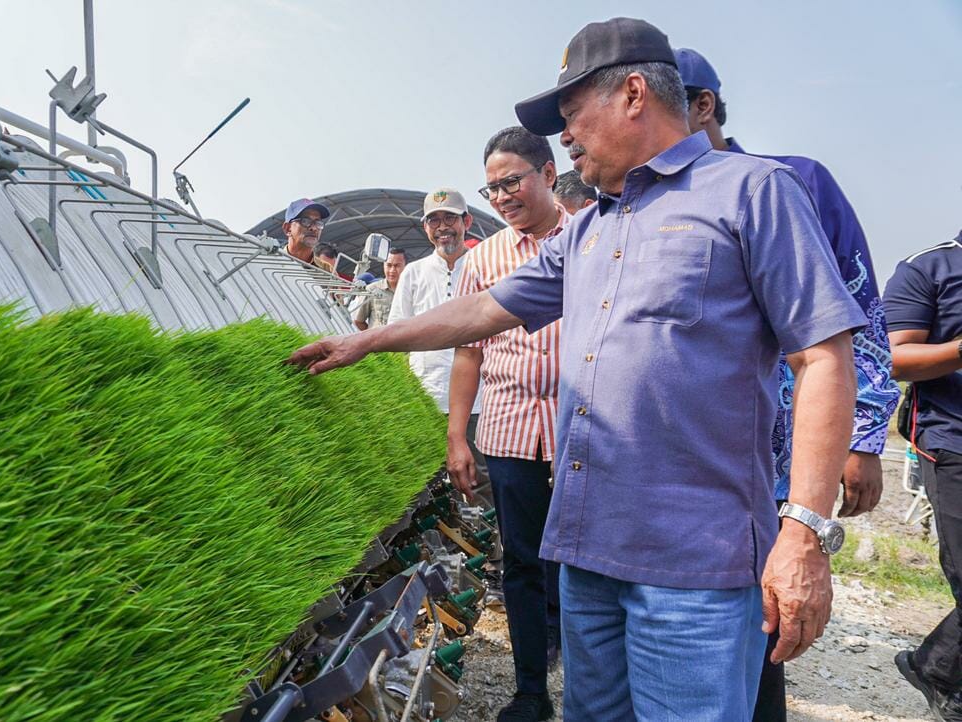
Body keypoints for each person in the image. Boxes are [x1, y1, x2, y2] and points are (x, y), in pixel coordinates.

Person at [287, 18, 865, 722]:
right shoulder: (591, 229)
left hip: (695, 566)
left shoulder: (752, 192)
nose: (564, 138)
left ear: (631, 94)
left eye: (570, 115)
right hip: (589, 555)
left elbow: (822, 356)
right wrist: (367, 343)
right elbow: (483, 312)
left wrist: (803, 532)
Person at [676, 46, 901, 722]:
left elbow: (859, 313)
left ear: (703, 106)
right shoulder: (652, 202)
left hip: (778, 468)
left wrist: (862, 439)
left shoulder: (793, 180)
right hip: (691, 469)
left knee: (761, 642)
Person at [448, 127, 571, 721]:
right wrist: (456, 436)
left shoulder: (595, 236)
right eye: (491, 188)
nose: (501, 196)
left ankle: (599, 680)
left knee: (586, 560)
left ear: (548, 174)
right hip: (511, 430)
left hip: (586, 432)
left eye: (511, 182)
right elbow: (467, 351)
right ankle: (530, 691)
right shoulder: (482, 260)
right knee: (522, 560)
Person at [884, 232, 962, 721]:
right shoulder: (929, 267)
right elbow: (892, 357)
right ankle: (939, 673)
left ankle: (935, 666)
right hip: (952, 440)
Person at [387, 188, 490, 505]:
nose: (443, 226)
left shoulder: (485, 266)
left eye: (450, 218)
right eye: (434, 220)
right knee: (428, 487)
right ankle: (443, 552)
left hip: (479, 401)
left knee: (480, 481)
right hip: (426, 398)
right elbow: (396, 335)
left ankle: (494, 551)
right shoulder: (414, 273)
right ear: (425, 228)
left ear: (467, 221)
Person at [353, 248, 406, 331]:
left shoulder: (411, 291)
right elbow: (358, 321)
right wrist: (374, 336)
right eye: (388, 265)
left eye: (397, 266)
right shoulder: (371, 290)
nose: (392, 270)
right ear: (383, 265)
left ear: (405, 267)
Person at [281, 198, 330, 265]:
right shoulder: (269, 262)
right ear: (288, 228)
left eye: (318, 223)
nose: (313, 228)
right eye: (305, 221)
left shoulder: (326, 272)